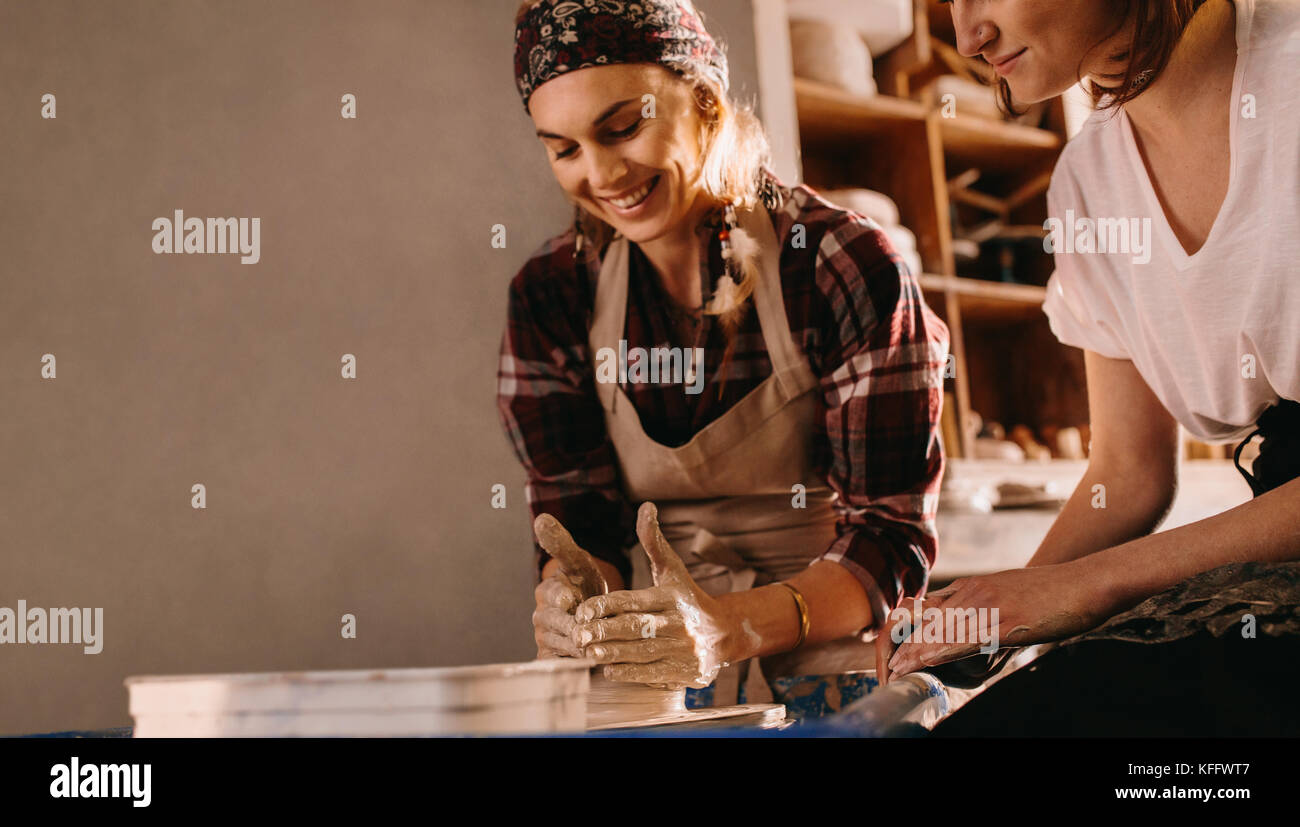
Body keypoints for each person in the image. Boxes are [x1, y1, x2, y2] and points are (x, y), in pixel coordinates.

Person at [498, 0, 949, 703]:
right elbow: (585, 523)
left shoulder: (843, 264)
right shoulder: (553, 296)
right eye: (564, 149)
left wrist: (726, 625)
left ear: (705, 101)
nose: (602, 173)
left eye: (623, 128)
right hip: (659, 676)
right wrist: (576, 592)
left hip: (830, 654)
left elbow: (889, 538)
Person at [887, 0, 1300, 692]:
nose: (966, 36)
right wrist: (997, 610)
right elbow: (1128, 475)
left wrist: (1086, 585)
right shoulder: (1087, 185)